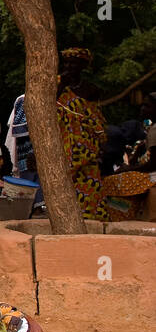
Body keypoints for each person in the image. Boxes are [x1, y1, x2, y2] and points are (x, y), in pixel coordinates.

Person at [56, 47, 107, 220]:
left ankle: (93, 220)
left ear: (83, 66)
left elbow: (96, 119)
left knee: (90, 185)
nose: (70, 66)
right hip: (65, 146)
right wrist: (61, 84)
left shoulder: (91, 90)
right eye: (67, 63)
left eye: (74, 63)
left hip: (87, 147)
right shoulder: (57, 85)